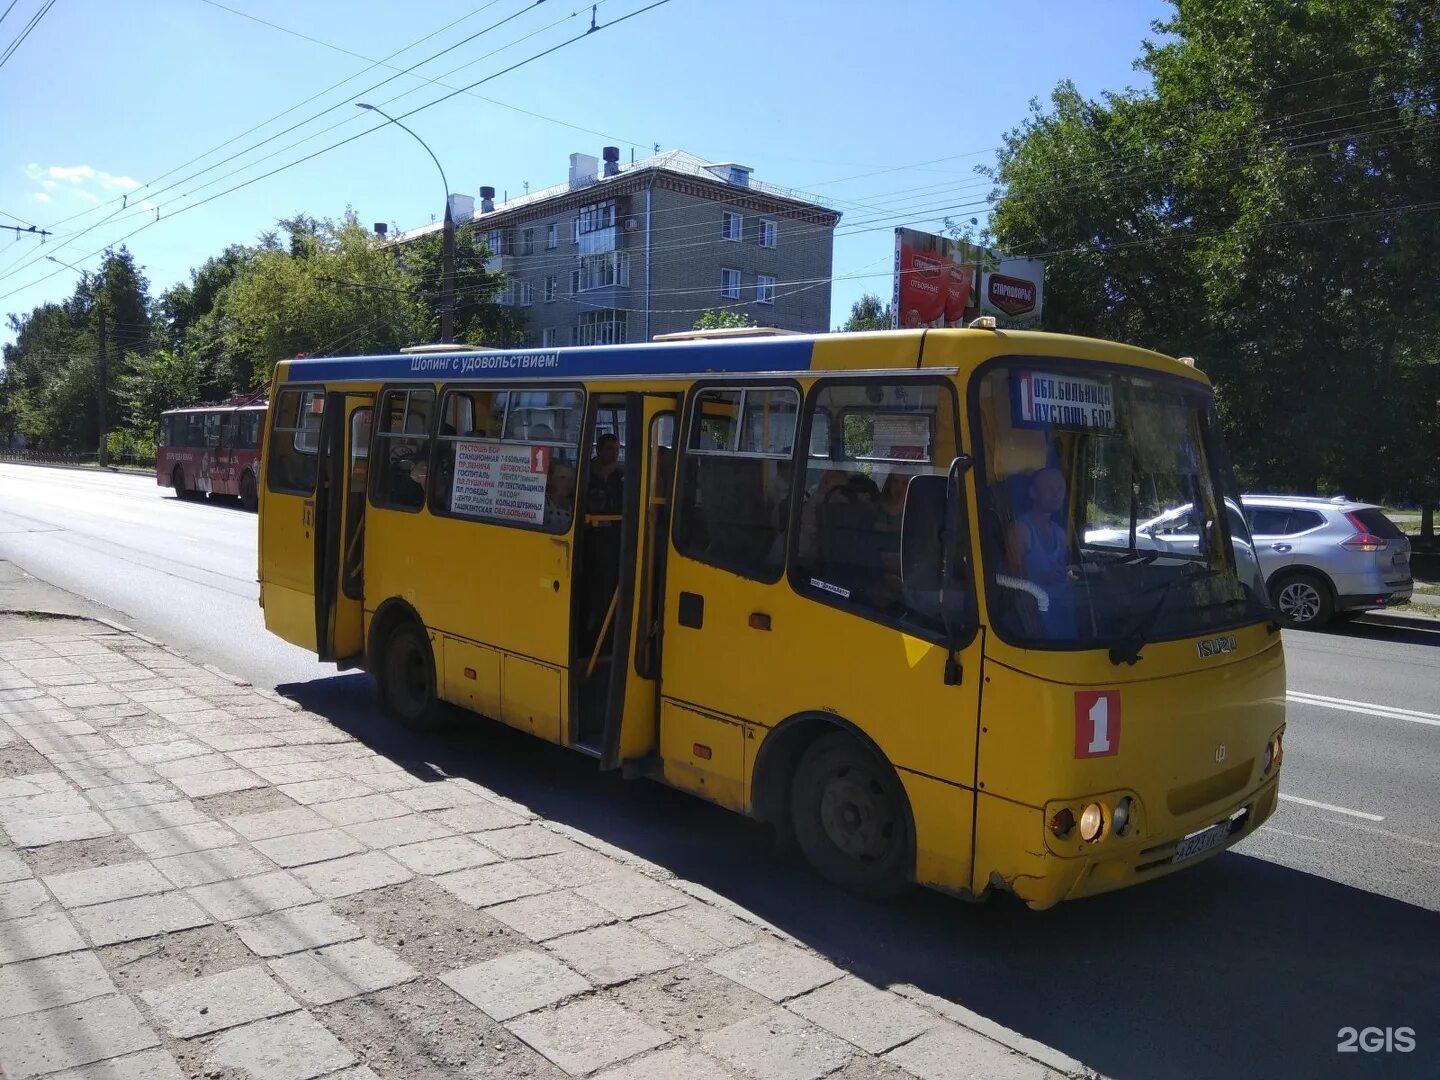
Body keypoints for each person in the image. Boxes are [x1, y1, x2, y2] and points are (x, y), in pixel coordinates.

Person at [1004, 466, 1077, 637]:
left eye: (1060, 489)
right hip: (1033, 615)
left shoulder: (1060, 533)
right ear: (1033, 493)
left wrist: (1070, 574)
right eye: (1050, 489)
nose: (1056, 494)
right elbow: (1011, 580)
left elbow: (1063, 570)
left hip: (1064, 611)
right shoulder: (1021, 529)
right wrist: (1042, 577)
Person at [587, 432, 624, 516]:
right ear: (598, 450)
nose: (614, 453)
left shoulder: (619, 473)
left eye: (617, 449)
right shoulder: (585, 470)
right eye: (609, 448)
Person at [544, 462, 577, 531]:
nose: (567, 483)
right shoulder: (542, 502)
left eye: (571, 479)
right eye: (562, 477)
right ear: (551, 479)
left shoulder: (575, 504)